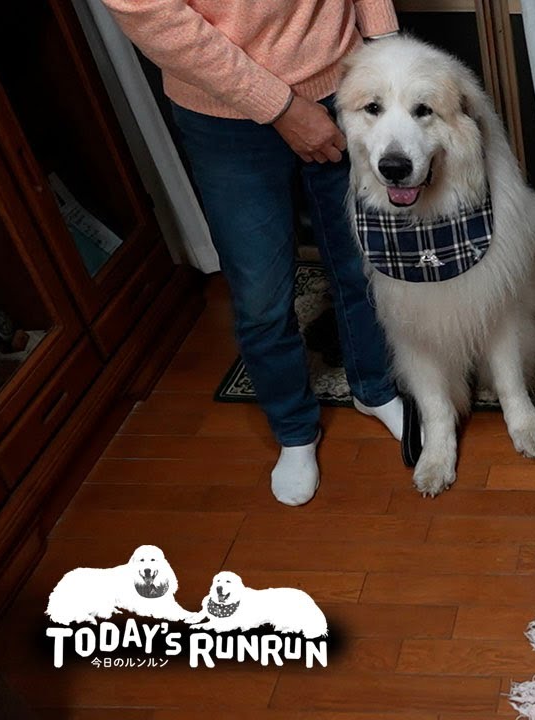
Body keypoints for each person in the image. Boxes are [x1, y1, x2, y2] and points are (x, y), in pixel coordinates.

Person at [101, 0, 405, 506]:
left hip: (343, 76)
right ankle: (294, 429)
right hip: (221, 110)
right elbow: (148, 12)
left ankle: (376, 388)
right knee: (260, 292)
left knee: (364, 263)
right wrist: (280, 107)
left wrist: (385, 43)